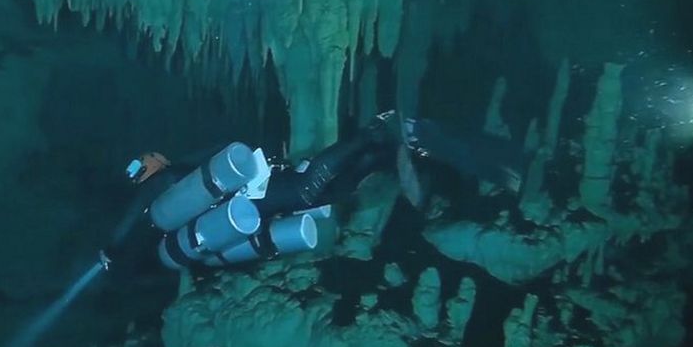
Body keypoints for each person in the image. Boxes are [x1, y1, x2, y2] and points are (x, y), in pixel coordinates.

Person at [99, 111, 525, 271]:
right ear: (141, 174)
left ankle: (388, 146)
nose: (148, 158)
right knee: (311, 190)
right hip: (256, 201)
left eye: (146, 157)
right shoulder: (158, 190)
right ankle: (376, 132)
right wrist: (112, 252)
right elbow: (129, 225)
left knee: (333, 187)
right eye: (141, 163)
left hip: (258, 197)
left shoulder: (183, 172)